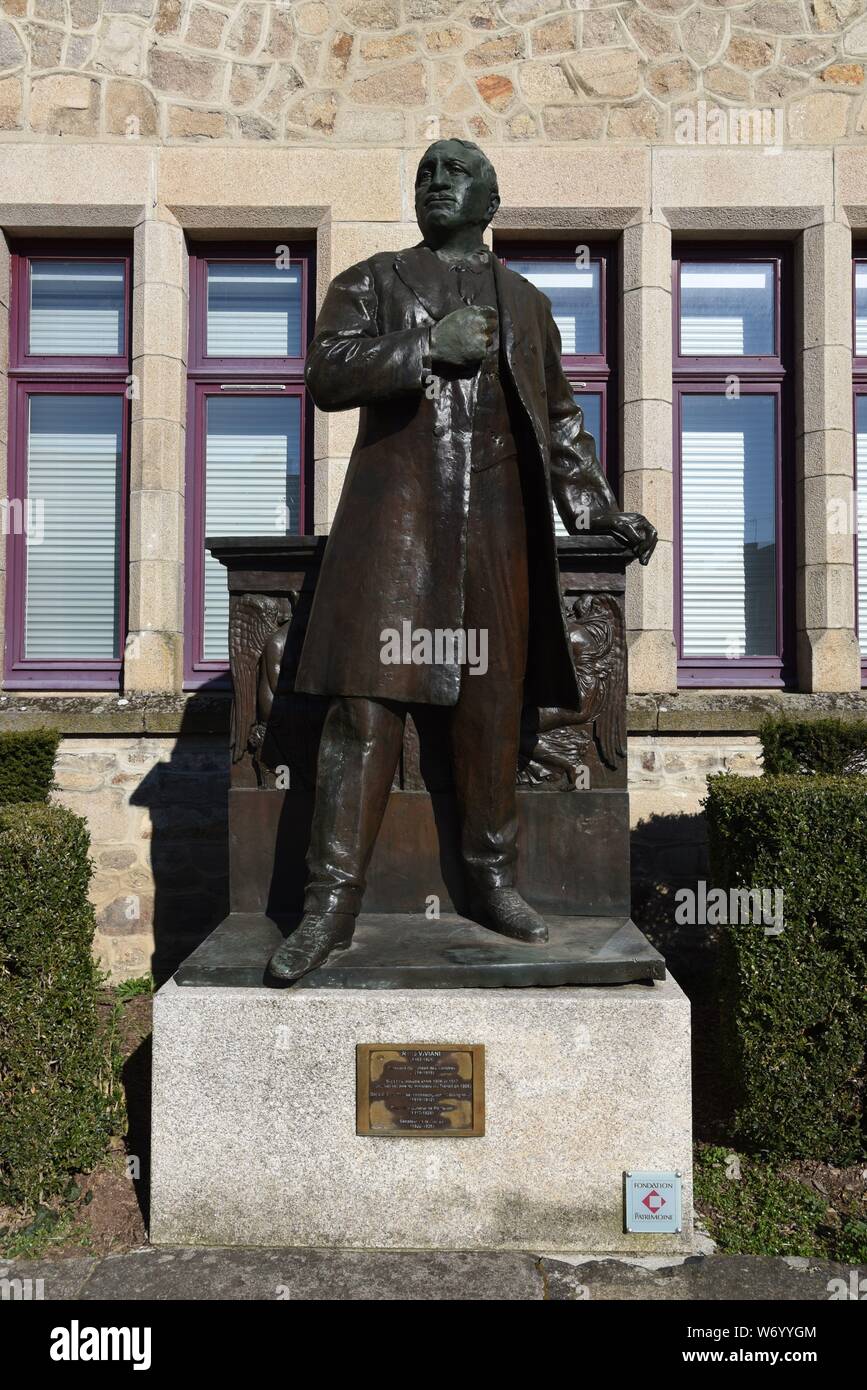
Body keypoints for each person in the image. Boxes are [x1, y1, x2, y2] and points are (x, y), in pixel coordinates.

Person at [268, 140, 656, 982]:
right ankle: (329, 906)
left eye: (454, 171)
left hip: (498, 533)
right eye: (423, 172)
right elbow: (325, 375)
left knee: (491, 713)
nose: (435, 182)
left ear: (491, 197)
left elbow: (558, 424)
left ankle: (490, 882)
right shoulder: (373, 280)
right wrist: (425, 348)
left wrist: (595, 511)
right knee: (362, 715)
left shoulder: (525, 302)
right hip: (395, 530)